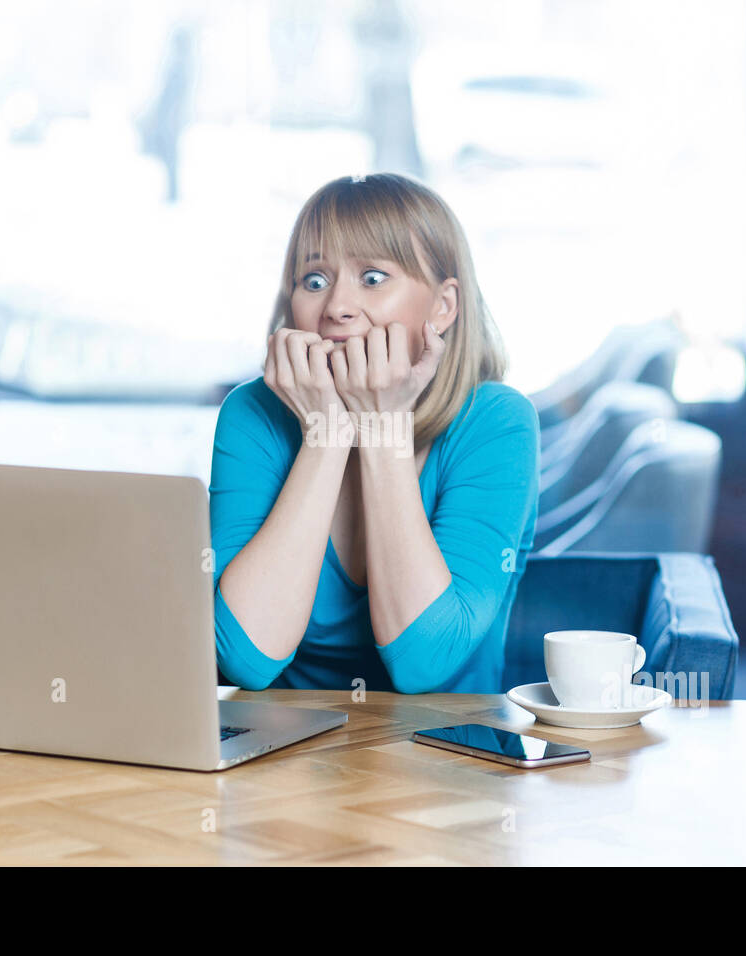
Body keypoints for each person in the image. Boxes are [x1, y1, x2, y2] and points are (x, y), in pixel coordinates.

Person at [209, 172, 539, 694]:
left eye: (372, 278)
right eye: (314, 281)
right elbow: (246, 659)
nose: (336, 306)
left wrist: (383, 428)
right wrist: (327, 434)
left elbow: (425, 662)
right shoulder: (252, 416)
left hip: (448, 759)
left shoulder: (497, 423)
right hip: (283, 765)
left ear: (443, 306)